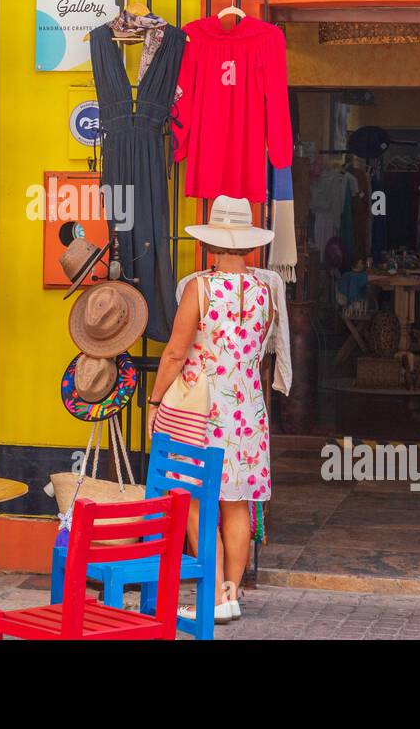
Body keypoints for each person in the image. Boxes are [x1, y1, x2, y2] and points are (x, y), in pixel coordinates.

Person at [148, 195, 285, 622]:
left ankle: (212, 596)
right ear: (249, 244)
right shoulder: (265, 291)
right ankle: (230, 592)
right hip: (248, 407)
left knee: (190, 495)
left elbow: (174, 352)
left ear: (210, 243)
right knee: (237, 504)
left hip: (202, 410)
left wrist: (155, 401)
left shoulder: (200, 288)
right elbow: (262, 353)